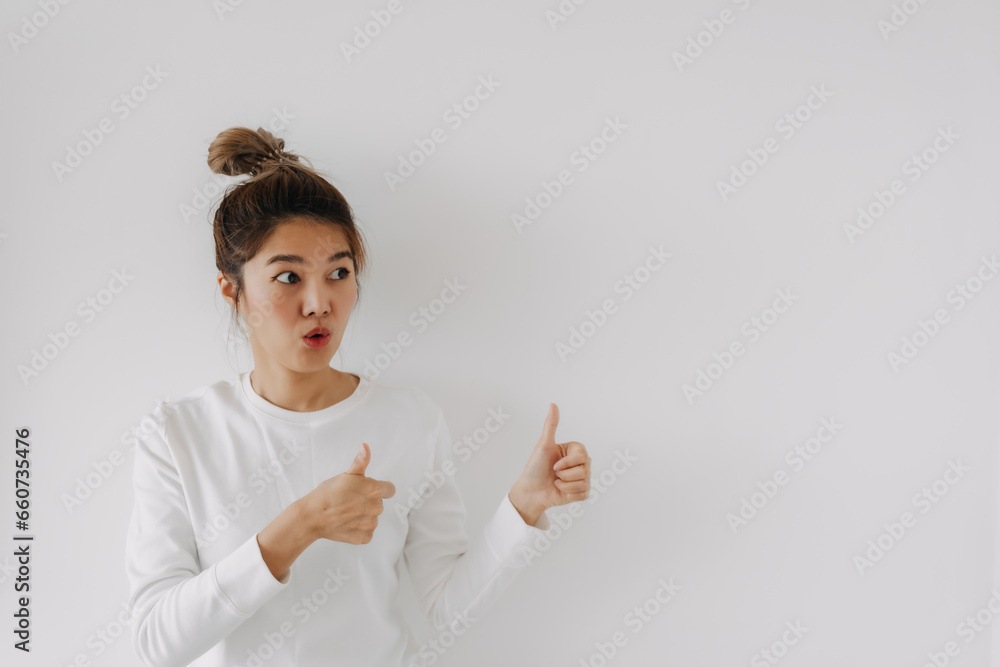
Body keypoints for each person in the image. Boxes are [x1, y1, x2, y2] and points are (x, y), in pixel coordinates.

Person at [123, 126, 592, 667]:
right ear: (232, 289)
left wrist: (524, 509)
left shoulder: (409, 420)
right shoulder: (178, 434)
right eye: (288, 277)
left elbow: (443, 604)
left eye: (338, 273)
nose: (319, 302)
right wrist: (301, 525)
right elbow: (156, 644)